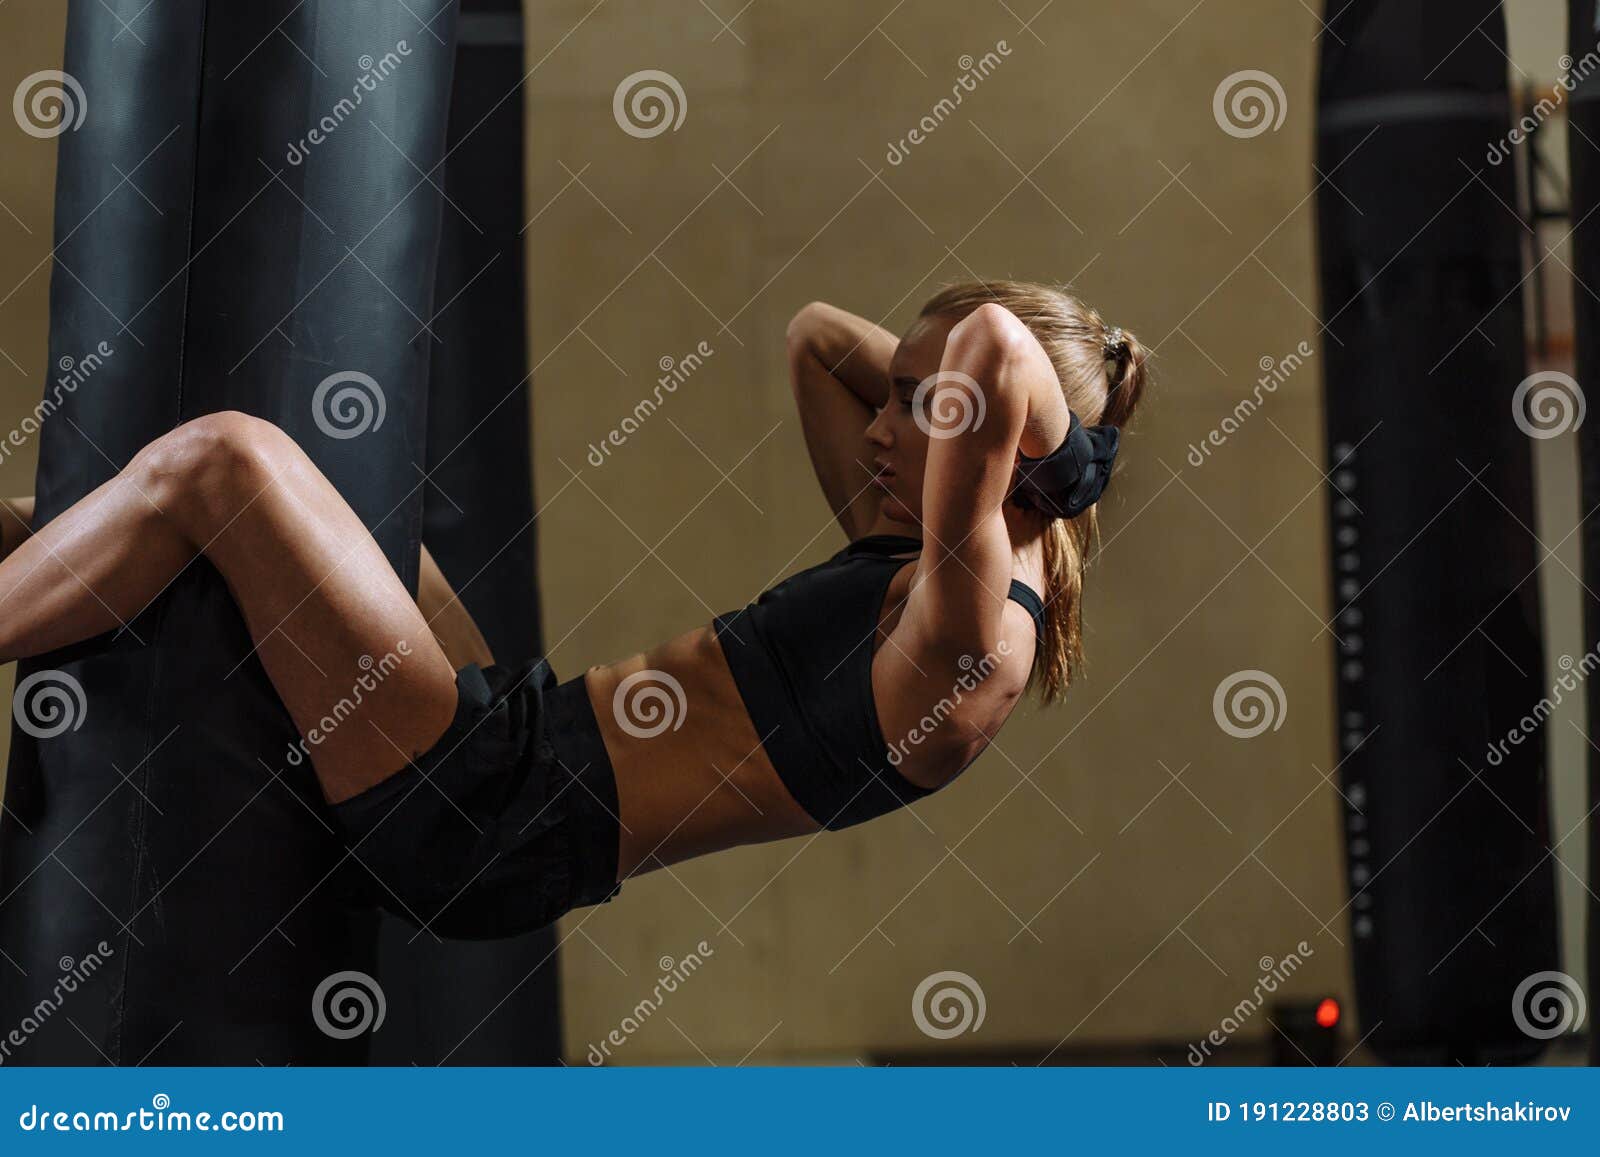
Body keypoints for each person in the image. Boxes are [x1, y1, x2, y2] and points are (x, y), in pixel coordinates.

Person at [0, 280, 1147, 938]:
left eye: (921, 407)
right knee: (340, 510)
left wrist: (1046, 435)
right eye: (894, 400)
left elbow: (995, 346)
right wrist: (985, 408)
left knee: (228, 464)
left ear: (1005, 454)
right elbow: (814, 337)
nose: (883, 429)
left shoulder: (966, 636)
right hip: (511, 742)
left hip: (492, 815)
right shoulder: (914, 566)